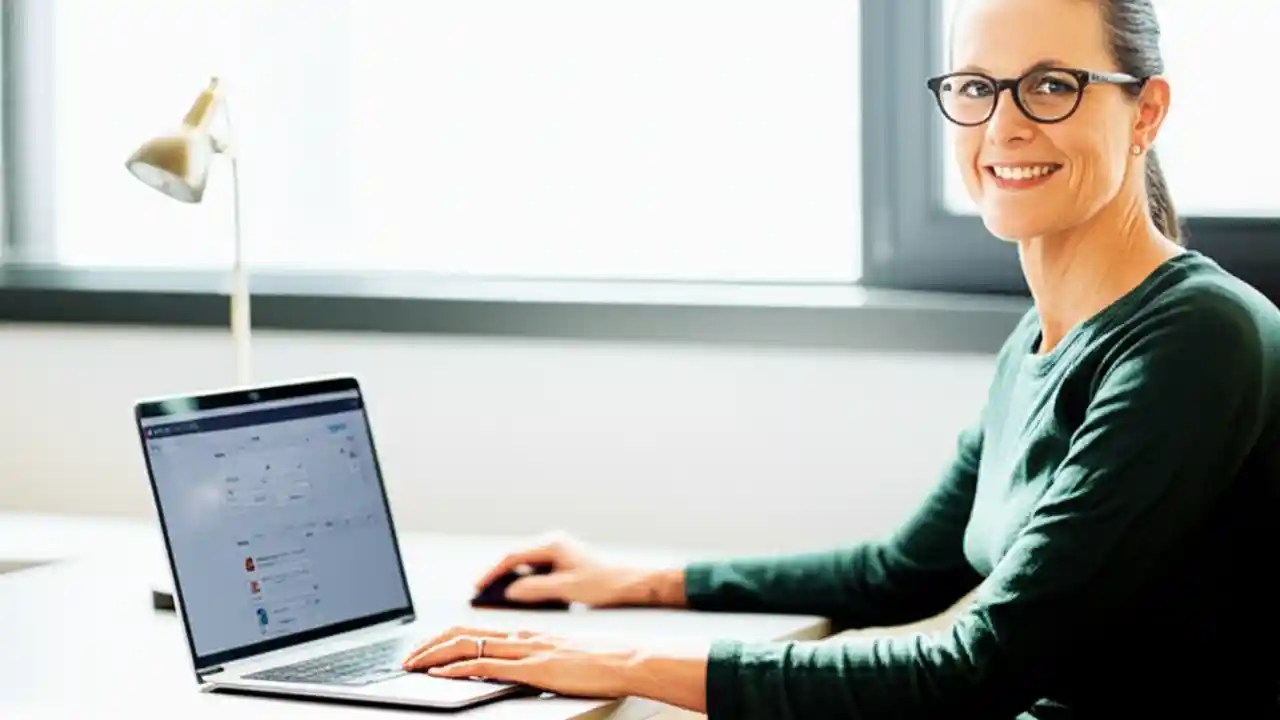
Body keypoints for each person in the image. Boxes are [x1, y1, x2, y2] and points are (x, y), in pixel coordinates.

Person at [402, 0, 1280, 716]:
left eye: (1052, 85)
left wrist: (624, 662)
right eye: (977, 86)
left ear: (1147, 111)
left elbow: (981, 664)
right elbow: (900, 575)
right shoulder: (1041, 340)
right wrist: (632, 582)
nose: (1004, 125)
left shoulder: (1196, 339)